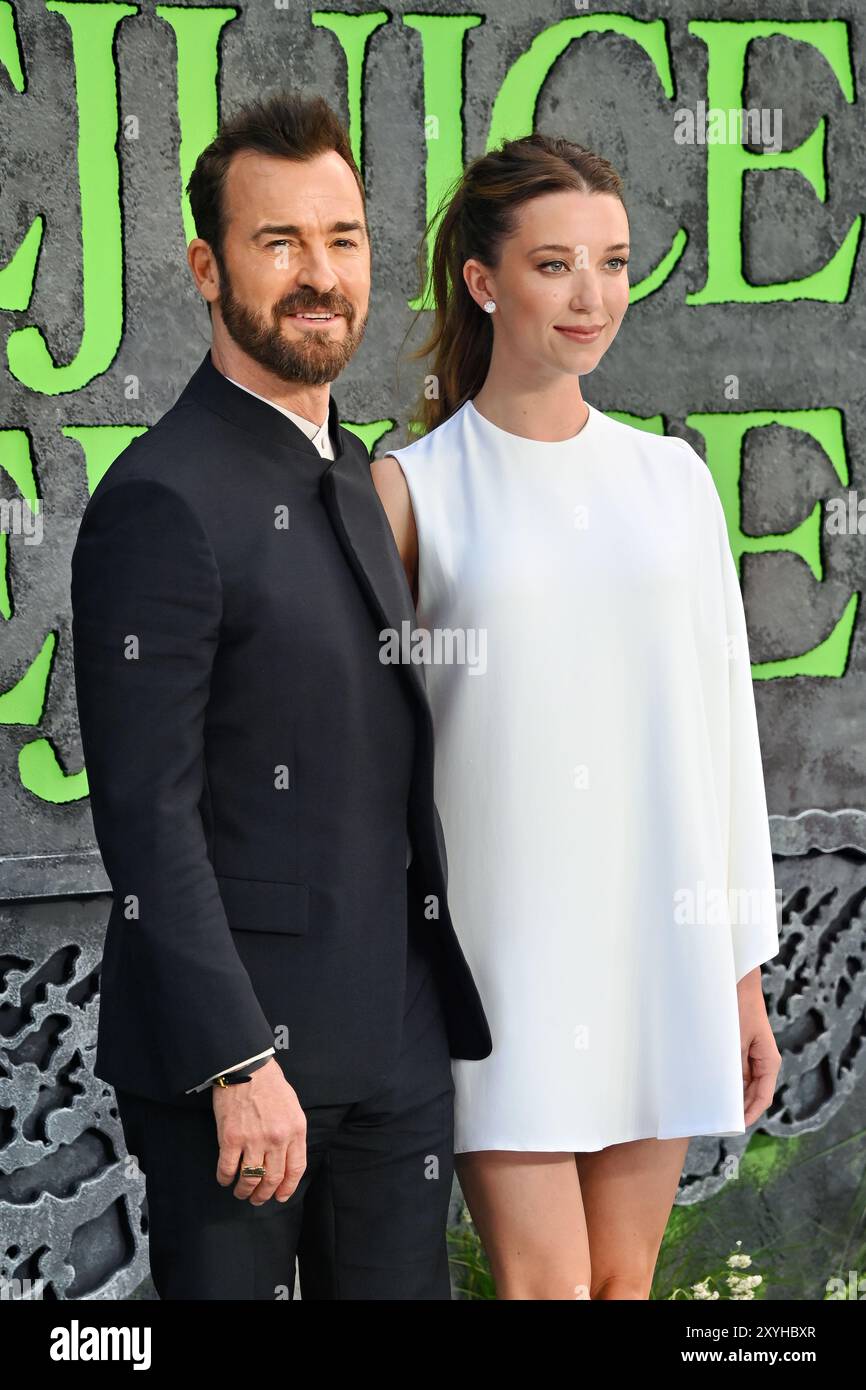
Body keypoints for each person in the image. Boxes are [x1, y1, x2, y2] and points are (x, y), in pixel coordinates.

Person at [70, 90, 490, 1301]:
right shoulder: (162, 497)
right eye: (279, 243)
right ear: (207, 268)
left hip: (396, 1051)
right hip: (239, 1071)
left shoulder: (353, 470)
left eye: (342, 238)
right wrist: (237, 1059)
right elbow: (148, 818)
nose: (319, 275)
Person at [372, 132, 782, 1300]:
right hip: (499, 956)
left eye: (611, 261)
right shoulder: (410, 491)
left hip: (658, 939)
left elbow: (720, 738)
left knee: (622, 1283)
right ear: (481, 279)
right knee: (546, 1288)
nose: (591, 294)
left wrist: (739, 975)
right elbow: (377, 760)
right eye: (554, 264)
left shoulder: (672, 482)